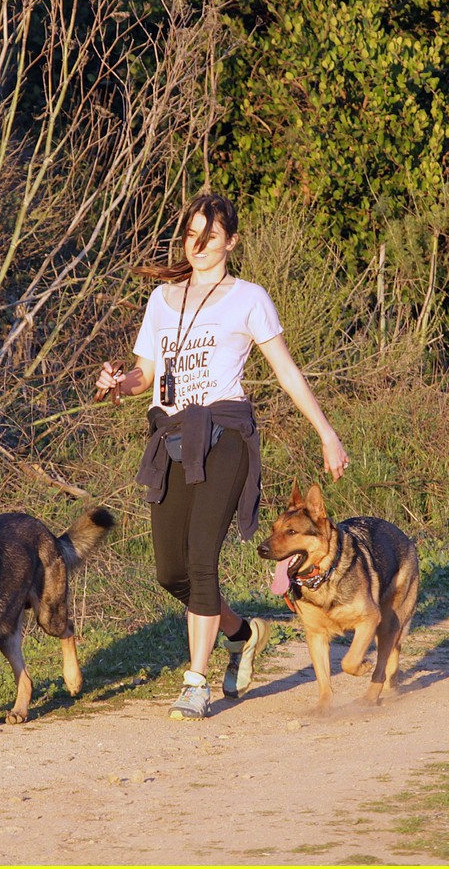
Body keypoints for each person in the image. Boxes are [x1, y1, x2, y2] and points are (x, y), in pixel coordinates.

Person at [95, 193, 348, 719]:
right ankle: (242, 631)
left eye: (210, 236)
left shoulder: (249, 297)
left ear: (230, 242)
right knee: (170, 571)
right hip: (171, 438)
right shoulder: (163, 298)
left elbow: (286, 370)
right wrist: (121, 383)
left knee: (201, 558)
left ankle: (195, 683)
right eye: (192, 234)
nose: (200, 245)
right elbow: (146, 374)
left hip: (226, 435)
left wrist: (326, 432)